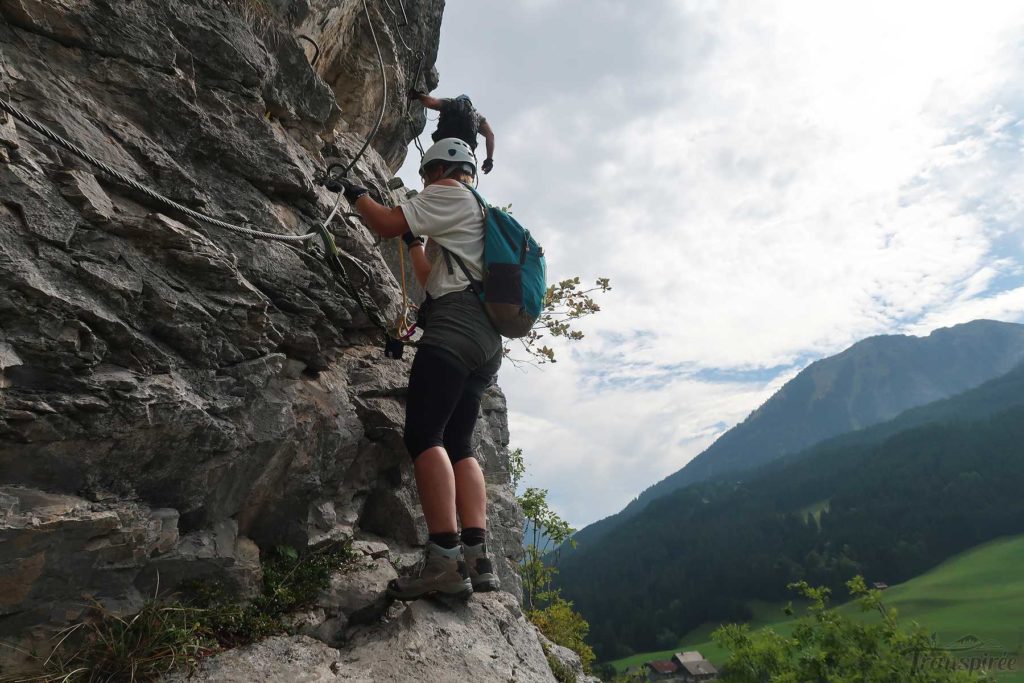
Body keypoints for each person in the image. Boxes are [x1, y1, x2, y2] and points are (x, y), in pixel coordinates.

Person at [334, 138, 502, 600]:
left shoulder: (449, 192)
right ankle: (476, 557)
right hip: (486, 341)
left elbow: (386, 222)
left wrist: (353, 193)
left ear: (442, 169)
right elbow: (431, 278)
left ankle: (444, 564)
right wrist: (414, 244)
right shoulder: (483, 215)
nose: (426, 184)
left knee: (424, 435)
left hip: (453, 331)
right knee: (459, 441)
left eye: (427, 176)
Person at [408, 91, 496, 174]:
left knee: (431, 172)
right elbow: (490, 135)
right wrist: (489, 159)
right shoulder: (477, 117)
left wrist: (418, 95)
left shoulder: (451, 103)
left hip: (443, 148)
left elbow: (431, 102)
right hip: (466, 156)